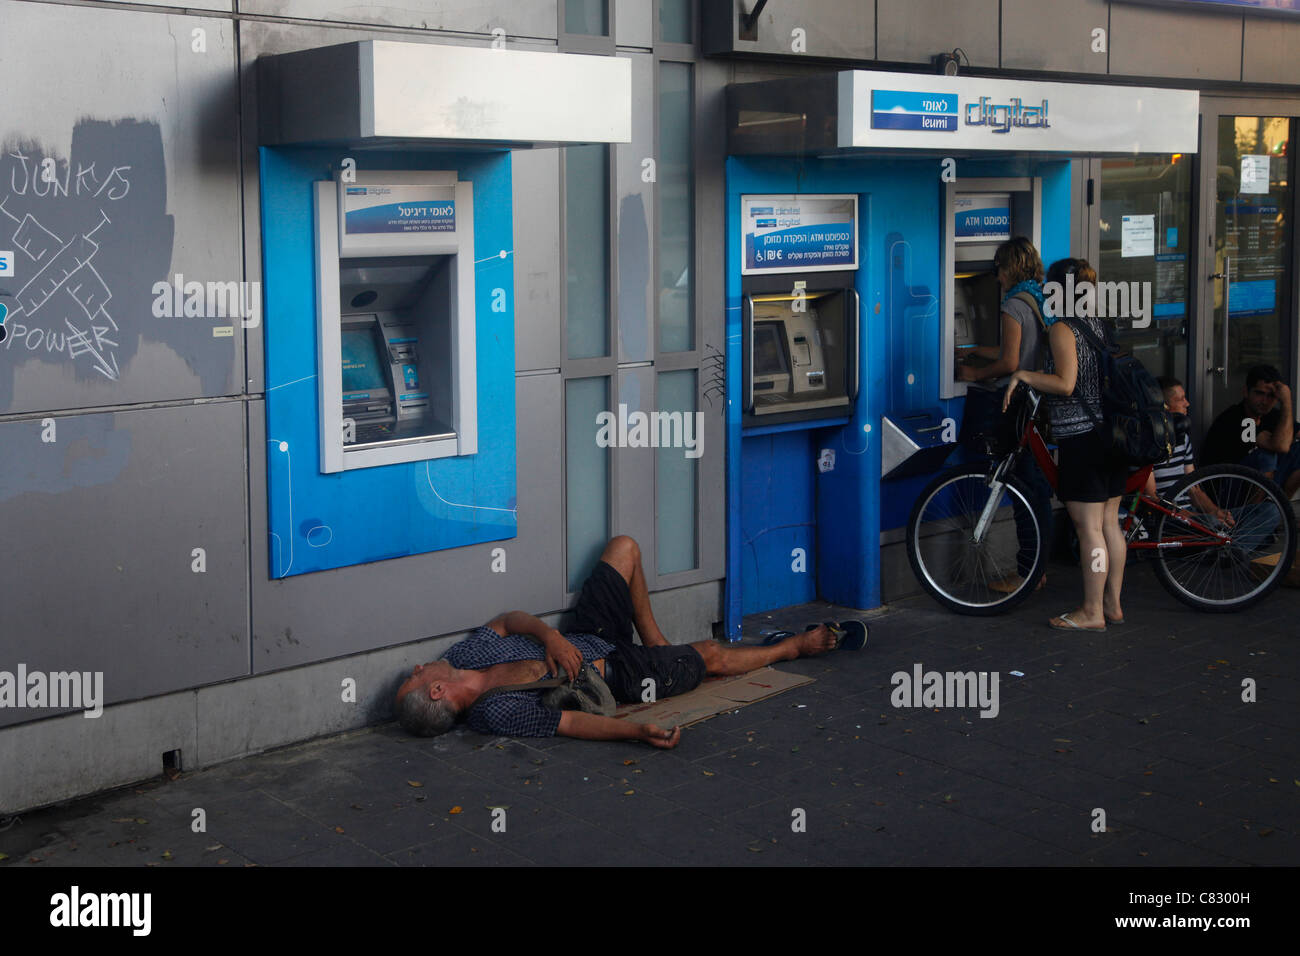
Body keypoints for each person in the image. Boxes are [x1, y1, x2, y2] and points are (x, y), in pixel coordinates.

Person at [394, 535, 843, 749]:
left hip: (586, 636)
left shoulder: (459, 657)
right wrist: (637, 731)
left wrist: (549, 635)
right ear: (436, 691)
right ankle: (794, 648)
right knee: (711, 657)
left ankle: (657, 641)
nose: (418, 667)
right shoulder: (493, 713)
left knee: (624, 548)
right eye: (417, 677)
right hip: (620, 674)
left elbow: (508, 621)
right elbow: (571, 724)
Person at [1003, 257, 1127, 632]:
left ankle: (1091, 612)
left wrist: (1024, 374)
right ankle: (1112, 605)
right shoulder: (1102, 324)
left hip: (1083, 437)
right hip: (1113, 435)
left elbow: (1066, 384)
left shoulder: (1063, 328)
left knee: (1088, 528)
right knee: (1109, 524)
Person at [956, 236, 1053, 593]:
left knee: (1026, 490)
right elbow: (1014, 349)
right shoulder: (1038, 298)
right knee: (1036, 489)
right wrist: (974, 349)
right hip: (1042, 403)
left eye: (998, 270)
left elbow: (1010, 362)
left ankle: (1027, 572)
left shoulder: (1013, 304)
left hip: (1020, 406)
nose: (996, 278)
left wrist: (973, 373)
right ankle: (1036, 569)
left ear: (1010, 267)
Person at [1201, 365, 1300, 499]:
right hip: (1225, 494)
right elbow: (1280, 446)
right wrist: (1287, 402)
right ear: (1246, 392)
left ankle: (1281, 509)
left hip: (1256, 486)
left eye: (1271, 396)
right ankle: (1257, 516)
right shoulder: (1235, 418)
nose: (1265, 401)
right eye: (1259, 393)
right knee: (1265, 457)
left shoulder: (1272, 416)